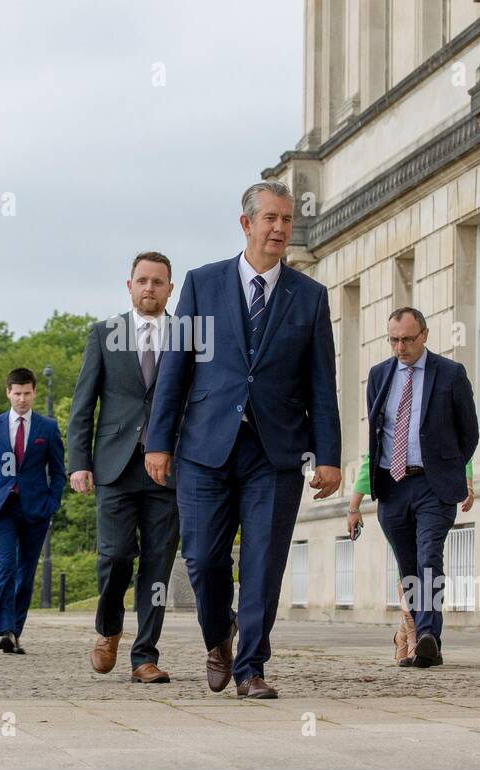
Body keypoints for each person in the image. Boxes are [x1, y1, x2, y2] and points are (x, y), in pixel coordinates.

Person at [146, 181, 342, 700]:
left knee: (263, 561)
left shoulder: (310, 296)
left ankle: (252, 666)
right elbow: (175, 368)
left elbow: (323, 382)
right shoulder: (201, 284)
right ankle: (219, 638)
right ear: (246, 224)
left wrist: (329, 456)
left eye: (287, 220)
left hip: (275, 453)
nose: (280, 228)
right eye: (270, 219)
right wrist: (159, 442)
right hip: (205, 448)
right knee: (204, 559)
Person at [67, 251, 180, 683]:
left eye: (158, 281)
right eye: (142, 281)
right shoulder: (104, 334)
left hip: (167, 469)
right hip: (114, 466)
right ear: (129, 286)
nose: (149, 288)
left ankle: (145, 656)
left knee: (158, 565)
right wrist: (79, 462)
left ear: (170, 288)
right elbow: (83, 404)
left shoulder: (186, 337)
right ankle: (109, 629)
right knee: (115, 557)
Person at [362, 307, 479, 668]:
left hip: (433, 483)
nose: (401, 347)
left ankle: (429, 635)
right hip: (393, 483)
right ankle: (414, 636)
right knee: (408, 566)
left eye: (408, 339)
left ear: (424, 335)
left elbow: (469, 432)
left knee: (430, 555)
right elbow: (375, 432)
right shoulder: (379, 375)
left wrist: (450, 468)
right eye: (394, 340)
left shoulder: (450, 374)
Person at [0, 368, 67, 654]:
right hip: (2, 507)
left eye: (27, 393)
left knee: (26, 572)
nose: (22, 399)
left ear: (34, 393)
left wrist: (52, 503)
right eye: (17, 393)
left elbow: (59, 472)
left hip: (36, 509)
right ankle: (4, 627)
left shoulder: (47, 428)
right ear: (8, 393)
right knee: (6, 568)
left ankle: (14, 632)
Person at [347, 456, 474, 666]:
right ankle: (407, 635)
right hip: (394, 491)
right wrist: (354, 506)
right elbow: (373, 455)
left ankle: (419, 638)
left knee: (428, 559)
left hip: (433, 487)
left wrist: (467, 481)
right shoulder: (387, 423)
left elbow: (458, 443)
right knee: (407, 568)